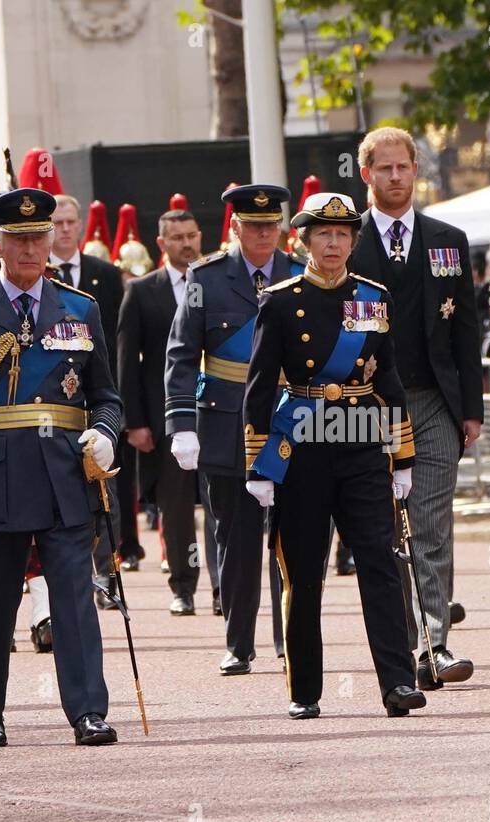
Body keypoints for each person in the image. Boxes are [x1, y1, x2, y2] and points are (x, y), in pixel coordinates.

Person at [0, 187, 121, 749]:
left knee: (73, 598)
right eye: (18, 238)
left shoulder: (79, 308)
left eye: (39, 237)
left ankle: (88, 711)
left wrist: (105, 432)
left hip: (63, 473)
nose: (31, 249)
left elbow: (104, 394)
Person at [243, 191, 425, 720]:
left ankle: (397, 682)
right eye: (324, 233)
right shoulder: (280, 300)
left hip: (362, 442)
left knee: (381, 564)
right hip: (302, 447)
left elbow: (387, 376)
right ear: (304, 239)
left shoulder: (372, 297)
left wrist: (403, 453)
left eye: (344, 234)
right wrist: (259, 463)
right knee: (304, 572)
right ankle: (305, 688)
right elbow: (258, 386)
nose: (333, 242)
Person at [349, 126, 480, 690]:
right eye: (385, 169)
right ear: (366, 175)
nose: (396, 177)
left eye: (404, 167)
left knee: (429, 524)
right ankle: (399, 645)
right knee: (381, 531)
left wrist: (470, 409)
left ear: (416, 171)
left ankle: (435, 644)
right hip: (364, 407)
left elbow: (467, 334)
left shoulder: (447, 238)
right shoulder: (342, 242)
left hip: (433, 404)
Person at [164, 184, 294, 675]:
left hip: (291, 425)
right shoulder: (207, 279)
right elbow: (180, 354)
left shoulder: (301, 275)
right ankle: (239, 642)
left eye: (270, 225)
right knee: (235, 541)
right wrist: (181, 423)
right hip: (225, 425)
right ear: (235, 228)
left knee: (292, 536)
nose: (263, 233)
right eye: (252, 225)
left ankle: (290, 639)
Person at [118, 208, 209, 615]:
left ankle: (225, 587)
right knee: (175, 508)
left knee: (222, 504)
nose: (186, 243)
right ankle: (183, 586)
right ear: (161, 243)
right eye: (177, 237)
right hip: (166, 417)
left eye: (191, 235)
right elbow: (127, 361)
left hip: (218, 411)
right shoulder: (141, 291)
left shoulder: (218, 282)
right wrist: (134, 422)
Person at [49, 194, 138, 600]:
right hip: (53, 406)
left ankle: (107, 573)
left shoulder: (104, 273)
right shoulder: (36, 277)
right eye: (58, 223)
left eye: (71, 221)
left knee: (106, 498)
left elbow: (118, 345)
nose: (65, 229)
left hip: (96, 403)